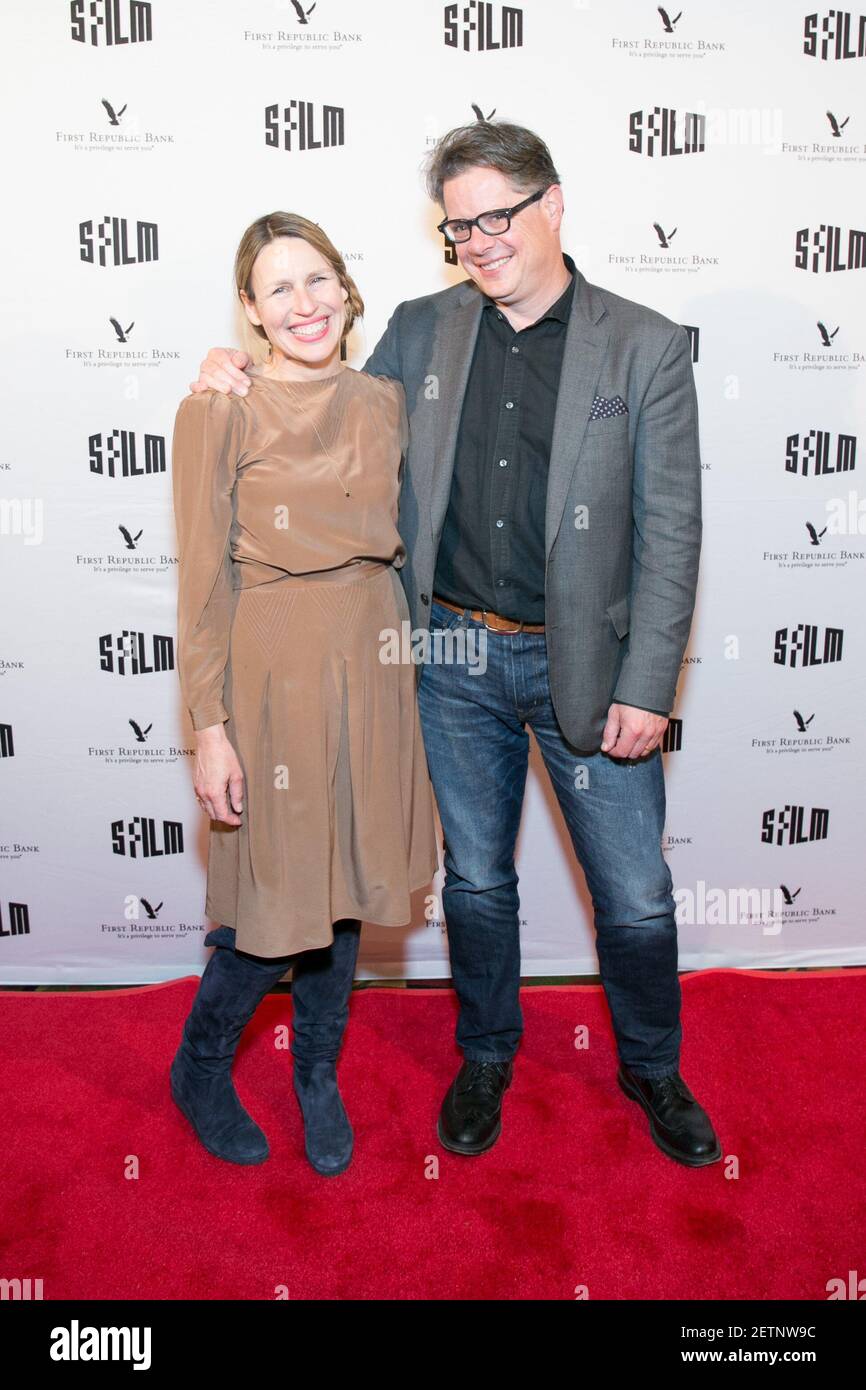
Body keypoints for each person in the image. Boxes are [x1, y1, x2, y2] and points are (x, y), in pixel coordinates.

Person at [192, 119, 721, 1168]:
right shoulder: (422, 330)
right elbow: (319, 413)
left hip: (594, 671)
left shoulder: (645, 344)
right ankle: (484, 1054)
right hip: (448, 664)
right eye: (456, 225)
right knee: (475, 882)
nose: (476, 241)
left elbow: (672, 530)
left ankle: (652, 1069)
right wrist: (228, 372)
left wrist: (648, 683)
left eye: (496, 217)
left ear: (552, 203)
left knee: (635, 893)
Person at [170, 212, 438, 1176]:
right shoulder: (218, 412)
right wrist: (209, 725)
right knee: (272, 901)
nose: (304, 303)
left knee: (351, 883)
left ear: (346, 289)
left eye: (318, 279)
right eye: (278, 288)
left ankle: (316, 1073)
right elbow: (202, 579)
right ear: (250, 311)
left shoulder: (385, 402)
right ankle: (199, 1070)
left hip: (372, 655)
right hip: (271, 666)